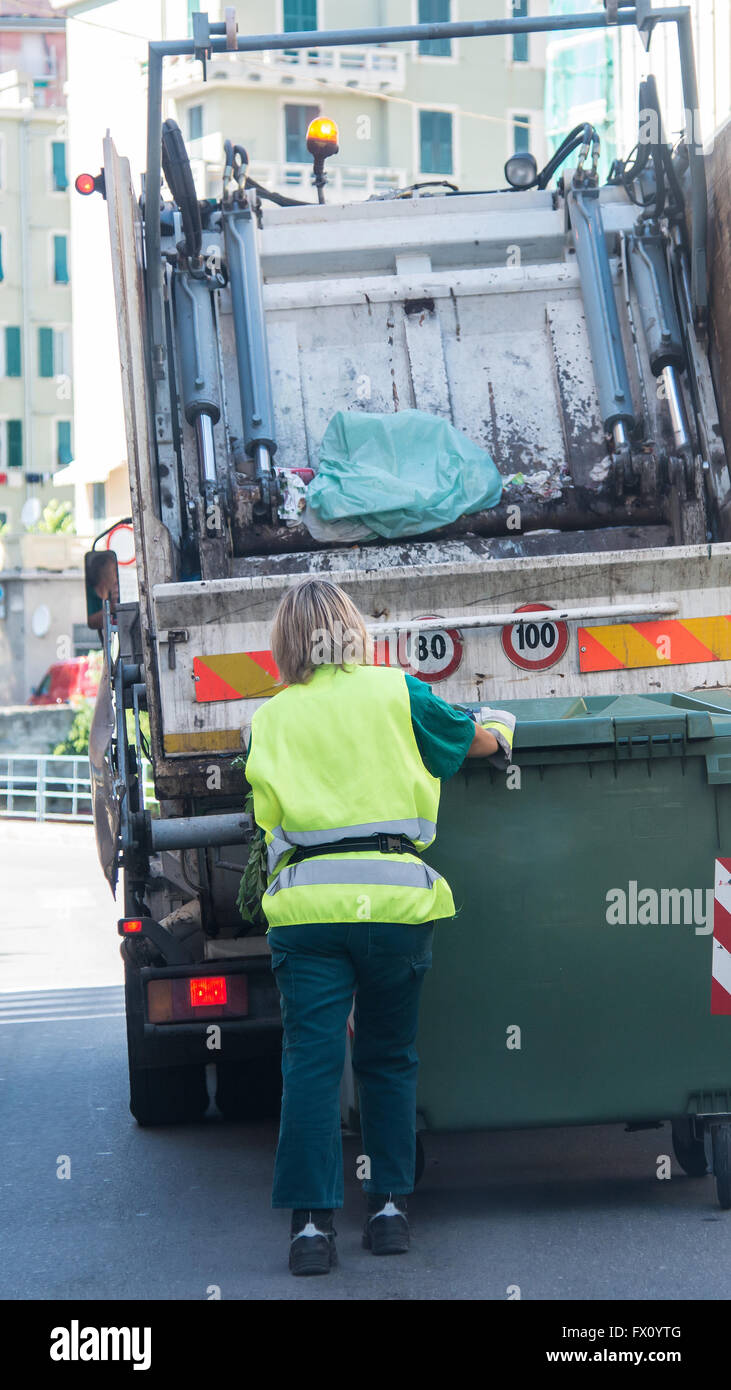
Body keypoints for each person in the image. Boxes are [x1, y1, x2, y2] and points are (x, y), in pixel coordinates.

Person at [245, 578, 515, 1276]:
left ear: (286, 644)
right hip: (394, 906)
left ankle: (310, 1229)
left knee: (310, 1062)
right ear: (353, 632)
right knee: (387, 1058)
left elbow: (268, 818)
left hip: (308, 912)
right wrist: (501, 730)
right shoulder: (398, 691)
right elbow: (470, 742)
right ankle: (389, 1210)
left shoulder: (271, 718)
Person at [86, 550, 120, 636]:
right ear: (102, 573)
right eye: (113, 571)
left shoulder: (113, 595)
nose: (116, 577)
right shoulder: (89, 595)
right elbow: (91, 621)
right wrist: (112, 608)